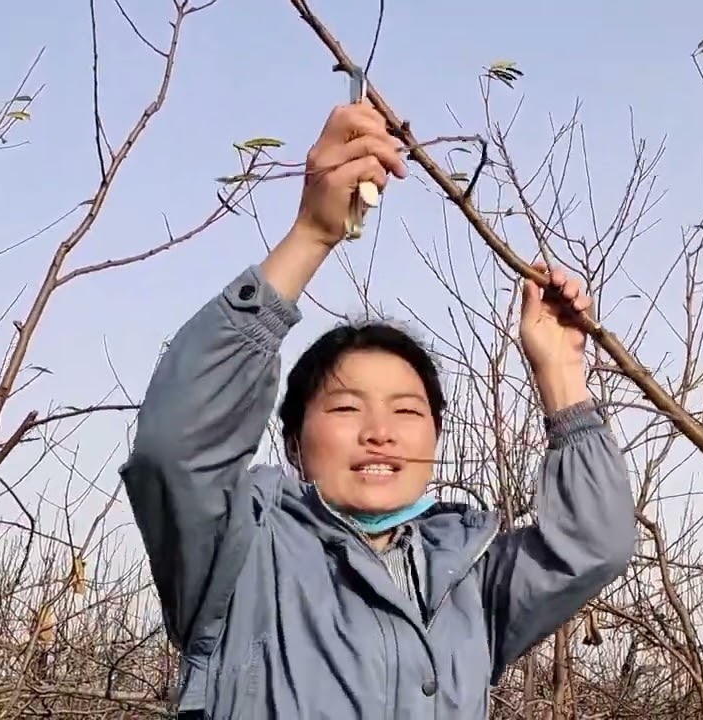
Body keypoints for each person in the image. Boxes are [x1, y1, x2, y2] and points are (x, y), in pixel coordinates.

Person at [120, 102, 637, 719]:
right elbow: (174, 448)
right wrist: (311, 235)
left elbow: (592, 546)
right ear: (294, 441)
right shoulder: (241, 551)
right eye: (344, 407)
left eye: (407, 411)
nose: (379, 434)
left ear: (435, 438)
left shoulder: (466, 578)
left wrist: (560, 369)